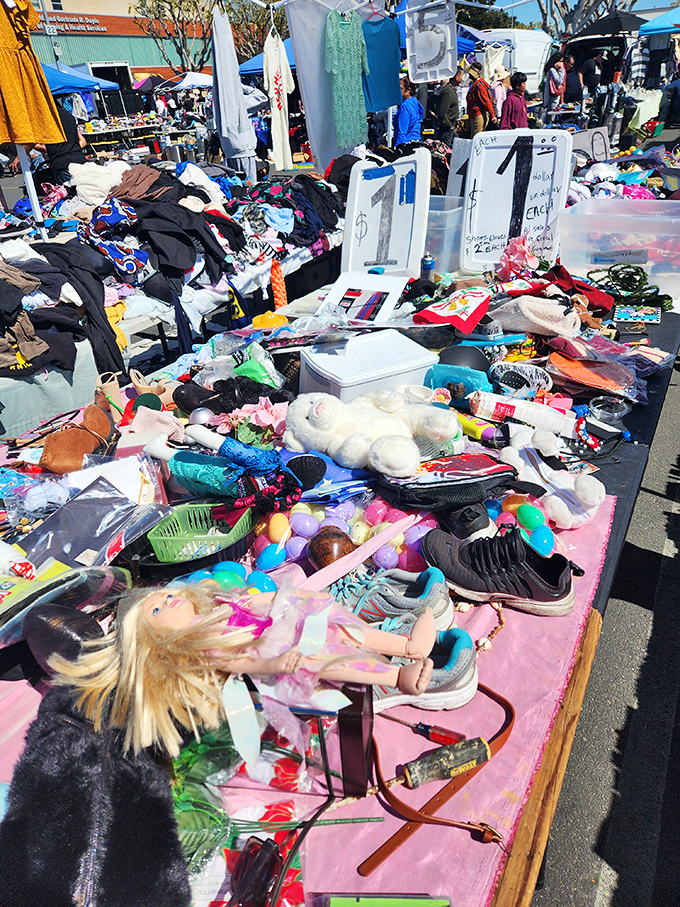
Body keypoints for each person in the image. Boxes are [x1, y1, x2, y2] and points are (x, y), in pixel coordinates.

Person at [9, 101, 87, 185]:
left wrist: (18, 157)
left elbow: (32, 142)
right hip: (79, 161)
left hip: (63, 165)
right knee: (82, 193)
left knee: (69, 194)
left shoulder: (46, 117)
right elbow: (83, 141)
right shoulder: (68, 115)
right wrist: (64, 149)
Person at [466, 62, 498, 135]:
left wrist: (492, 115)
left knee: (476, 138)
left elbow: (486, 101)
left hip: (478, 116)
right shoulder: (473, 84)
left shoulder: (480, 86)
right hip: (474, 115)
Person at [393, 77, 425, 146]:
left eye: (400, 88)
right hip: (416, 141)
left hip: (406, 143)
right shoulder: (415, 102)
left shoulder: (404, 106)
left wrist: (397, 147)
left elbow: (402, 131)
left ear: (408, 90)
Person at [438, 66, 464, 146]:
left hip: (451, 126)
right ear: (456, 76)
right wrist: (449, 125)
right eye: (461, 76)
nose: (462, 79)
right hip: (447, 128)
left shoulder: (452, 90)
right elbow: (442, 112)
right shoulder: (447, 91)